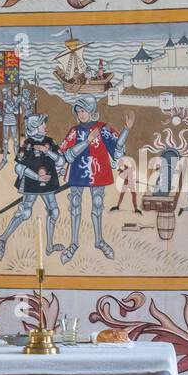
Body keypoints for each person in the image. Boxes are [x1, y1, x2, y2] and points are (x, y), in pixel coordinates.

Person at [58, 96, 132, 262]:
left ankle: (99, 240)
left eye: (83, 110)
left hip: (98, 171)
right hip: (78, 171)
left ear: (91, 111)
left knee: (97, 205)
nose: (81, 114)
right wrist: (86, 141)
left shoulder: (103, 128)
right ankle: (74, 243)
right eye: (78, 111)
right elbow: (64, 151)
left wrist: (126, 129)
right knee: (75, 205)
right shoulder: (74, 131)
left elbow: (117, 147)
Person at [0, 112, 63, 260]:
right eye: (42, 123)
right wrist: (36, 176)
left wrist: (48, 152)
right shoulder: (27, 144)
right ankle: (2, 239)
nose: (45, 126)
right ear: (34, 126)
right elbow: (18, 168)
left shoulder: (50, 142)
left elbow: (61, 162)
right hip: (32, 182)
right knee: (25, 213)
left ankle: (50, 247)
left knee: (54, 212)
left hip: (49, 181)